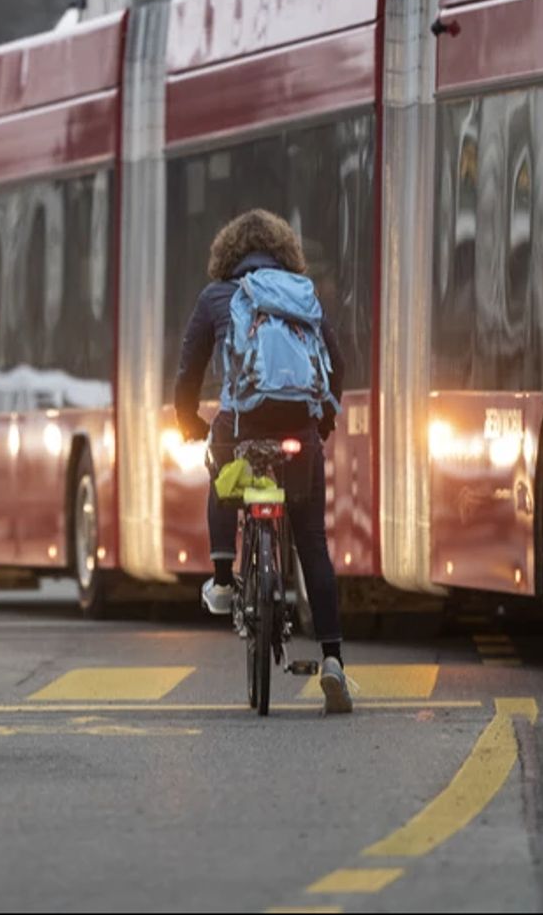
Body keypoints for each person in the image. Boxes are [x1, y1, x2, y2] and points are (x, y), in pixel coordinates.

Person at [172, 209, 353, 715]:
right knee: (312, 541)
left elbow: (189, 369)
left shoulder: (216, 297)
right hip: (298, 428)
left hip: (241, 425)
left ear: (227, 254)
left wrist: (188, 420)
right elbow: (336, 365)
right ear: (284, 253)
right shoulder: (302, 293)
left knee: (220, 469)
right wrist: (323, 422)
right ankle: (334, 661)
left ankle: (226, 580)